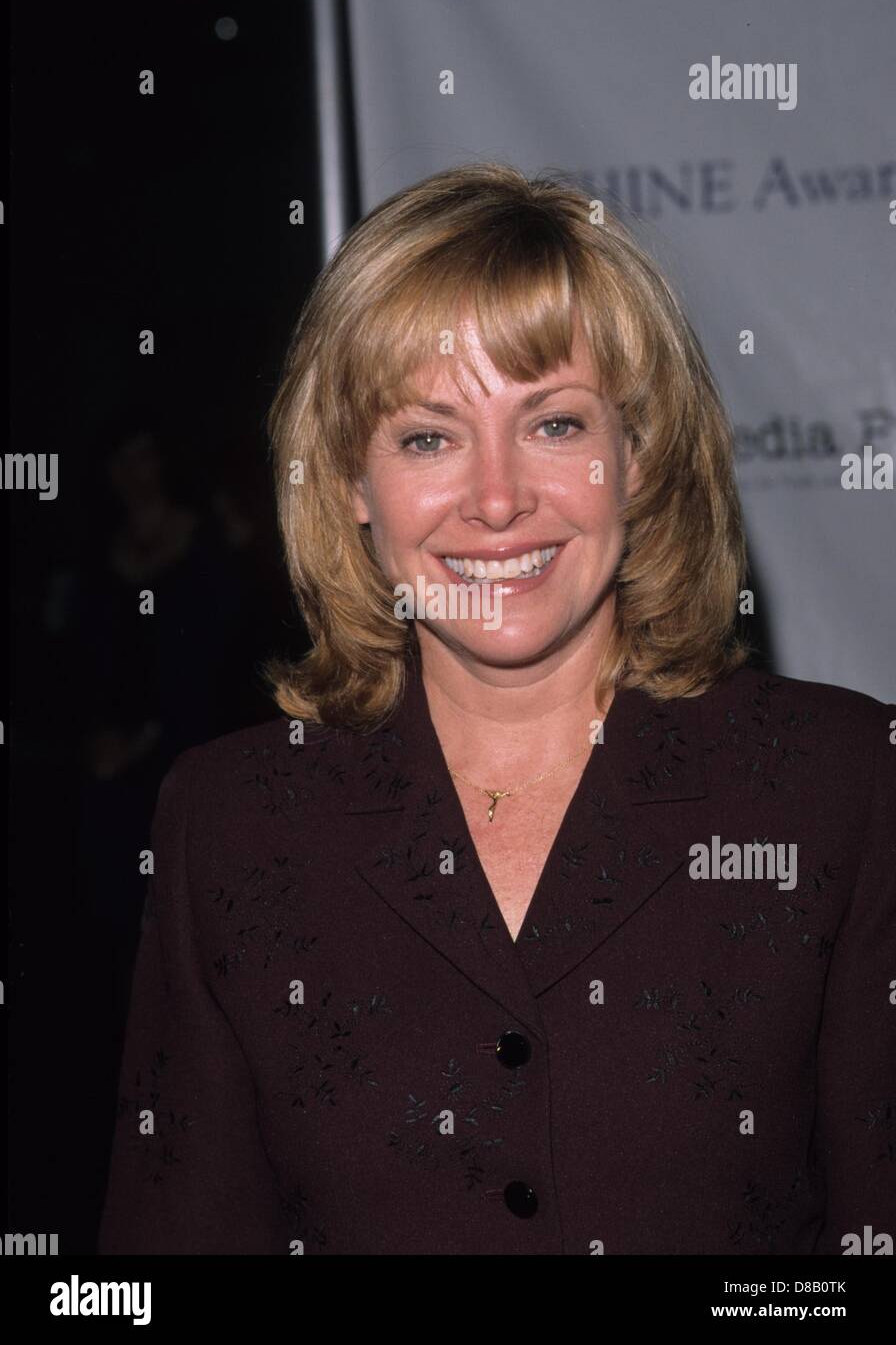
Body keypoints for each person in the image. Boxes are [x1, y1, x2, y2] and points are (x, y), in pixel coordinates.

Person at [97, 161, 895, 1255]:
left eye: (554, 424)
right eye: (427, 436)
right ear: (348, 486)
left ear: (640, 454)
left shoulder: (841, 784)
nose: (495, 498)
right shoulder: (231, 821)